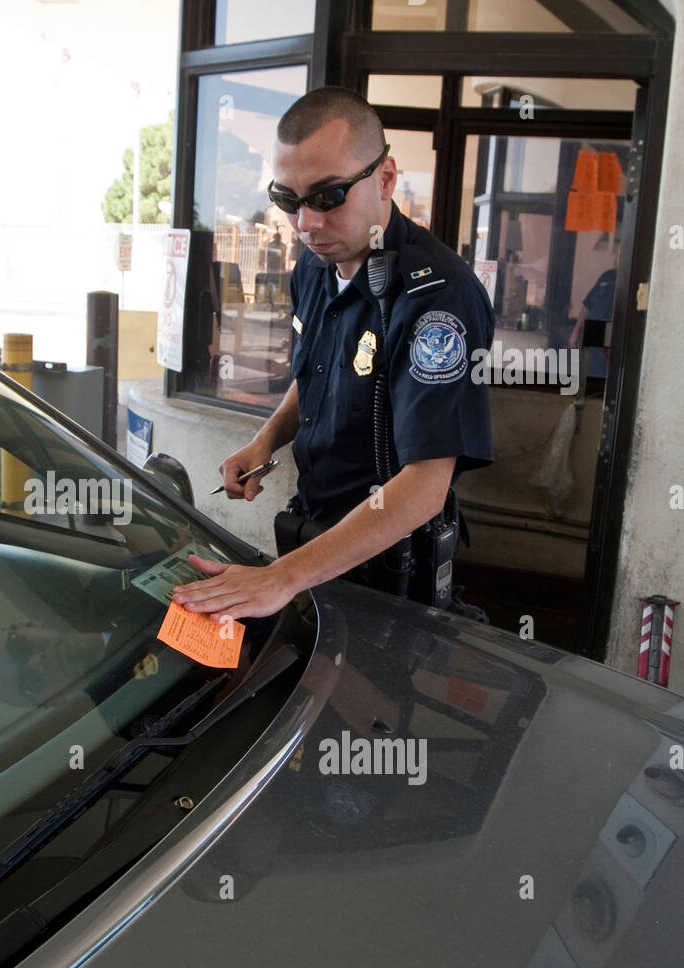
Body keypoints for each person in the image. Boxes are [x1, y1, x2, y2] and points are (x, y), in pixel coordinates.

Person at [174, 86, 494, 621]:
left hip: (391, 572)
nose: (306, 223)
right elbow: (319, 371)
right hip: (314, 544)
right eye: (288, 200)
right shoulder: (315, 266)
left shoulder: (437, 297)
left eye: (328, 196)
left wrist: (281, 579)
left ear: (386, 178)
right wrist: (267, 439)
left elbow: (423, 489)